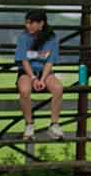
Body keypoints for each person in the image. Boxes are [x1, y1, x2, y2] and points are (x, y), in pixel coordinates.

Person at [14, 10, 65, 140]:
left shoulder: (52, 38)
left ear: (41, 24)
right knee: (24, 90)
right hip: (27, 71)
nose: (28, 26)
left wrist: (42, 79)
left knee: (58, 88)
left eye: (31, 23)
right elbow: (24, 60)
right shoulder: (23, 38)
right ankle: (29, 124)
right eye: (27, 23)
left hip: (45, 72)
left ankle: (54, 124)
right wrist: (33, 78)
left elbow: (50, 62)